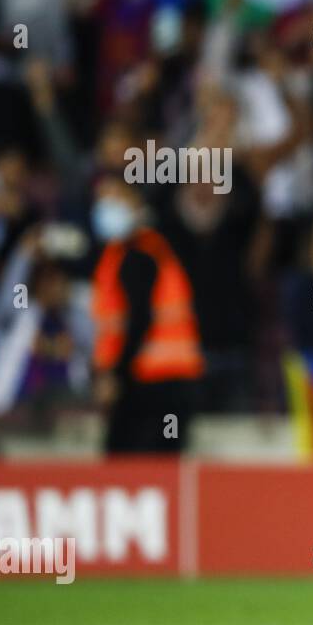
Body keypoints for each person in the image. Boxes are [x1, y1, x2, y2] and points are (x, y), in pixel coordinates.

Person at [90, 176, 204, 453]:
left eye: (116, 198)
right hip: (164, 382)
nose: (107, 206)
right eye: (102, 200)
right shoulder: (138, 250)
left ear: (135, 203)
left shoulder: (140, 254)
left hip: (154, 385)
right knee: (158, 475)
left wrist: (115, 376)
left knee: (132, 469)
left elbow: (138, 321)